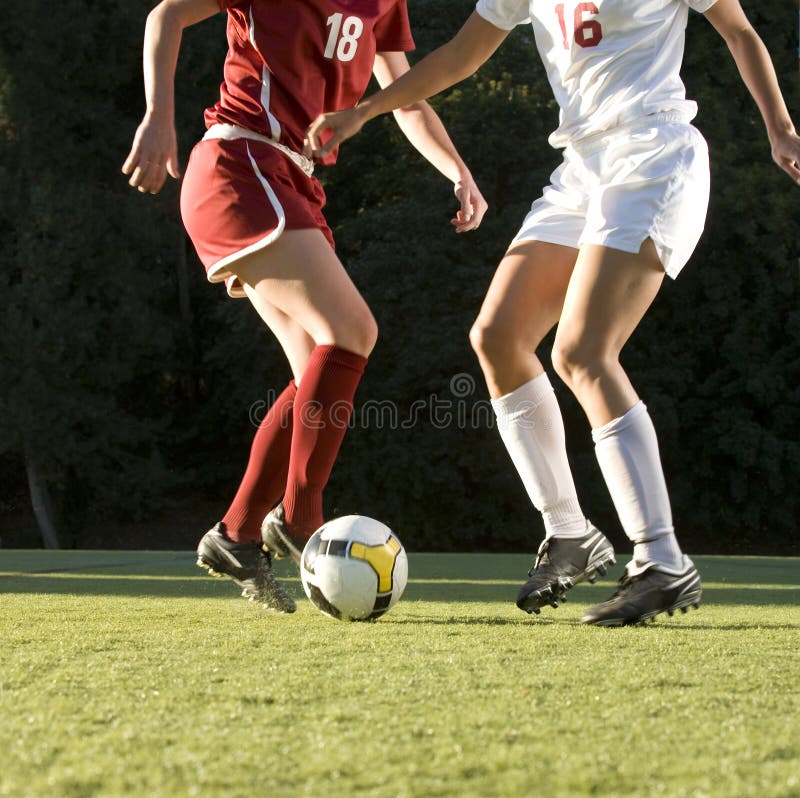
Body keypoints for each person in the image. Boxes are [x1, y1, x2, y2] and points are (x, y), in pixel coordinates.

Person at [305, 0, 800, 625]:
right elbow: (461, 55)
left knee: (582, 353)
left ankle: (663, 560)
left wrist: (779, 128)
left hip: (652, 153)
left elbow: (739, 29)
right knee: (497, 336)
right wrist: (365, 110)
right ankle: (570, 534)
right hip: (583, 169)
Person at [122, 0, 487, 613]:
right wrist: (159, 116)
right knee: (352, 331)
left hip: (289, 178)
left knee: (315, 370)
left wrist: (457, 169)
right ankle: (299, 518)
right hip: (239, 161)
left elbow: (406, 97)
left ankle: (237, 534)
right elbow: (166, 15)